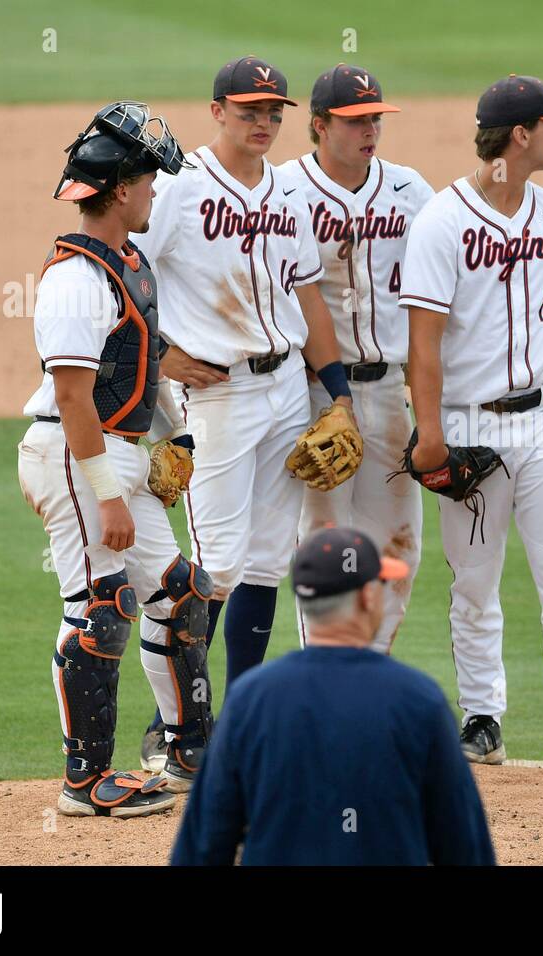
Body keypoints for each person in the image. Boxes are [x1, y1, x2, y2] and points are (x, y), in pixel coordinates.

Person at [129, 56, 358, 775]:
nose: (263, 122)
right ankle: (179, 726)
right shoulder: (180, 188)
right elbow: (120, 268)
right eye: (250, 109)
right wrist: (161, 356)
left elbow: (309, 298)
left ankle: (244, 713)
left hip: (287, 387)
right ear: (217, 111)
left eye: (273, 112)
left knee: (266, 560)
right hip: (219, 396)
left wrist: (340, 393)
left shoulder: (287, 192)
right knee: (217, 564)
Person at [398, 74, 543, 769]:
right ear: (520, 136)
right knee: (474, 580)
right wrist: (429, 435)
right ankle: (482, 716)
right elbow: (421, 342)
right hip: (468, 426)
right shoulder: (441, 222)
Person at [18, 101, 214, 815]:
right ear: (123, 189)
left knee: (180, 593)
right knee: (101, 609)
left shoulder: (127, 264)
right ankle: (86, 781)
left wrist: (177, 437)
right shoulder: (75, 280)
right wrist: (106, 493)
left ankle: (192, 750)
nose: (155, 195)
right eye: (150, 184)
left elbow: (144, 363)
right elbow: (73, 398)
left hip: (117, 454)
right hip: (75, 457)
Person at [170, 527, 496, 865]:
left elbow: (203, 847)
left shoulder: (250, 700)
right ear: (368, 598)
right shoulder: (419, 701)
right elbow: (466, 848)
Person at [277, 64, 434, 653]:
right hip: (315, 393)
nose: (370, 129)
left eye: (375, 119)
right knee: (322, 544)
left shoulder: (411, 190)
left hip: (389, 389)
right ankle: (323, 673)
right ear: (319, 125)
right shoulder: (282, 191)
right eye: (355, 120)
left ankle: (372, 663)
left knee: (399, 546)